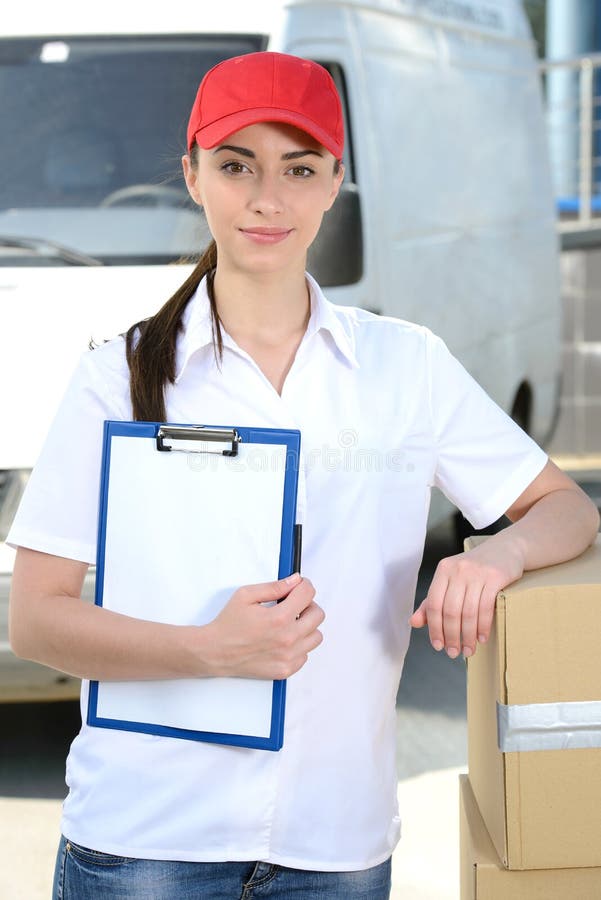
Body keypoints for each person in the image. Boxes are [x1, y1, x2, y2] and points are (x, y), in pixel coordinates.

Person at [7, 51, 599, 900]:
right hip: (146, 844)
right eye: (236, 165)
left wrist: (493, 555)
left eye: (298, 168)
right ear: (193, 174)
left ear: (334, 184)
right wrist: (206, 651)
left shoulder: (405, 367)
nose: (266, 198)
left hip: (335, 846)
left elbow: (564, 507)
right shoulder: (120, 375)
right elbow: (35, 621)